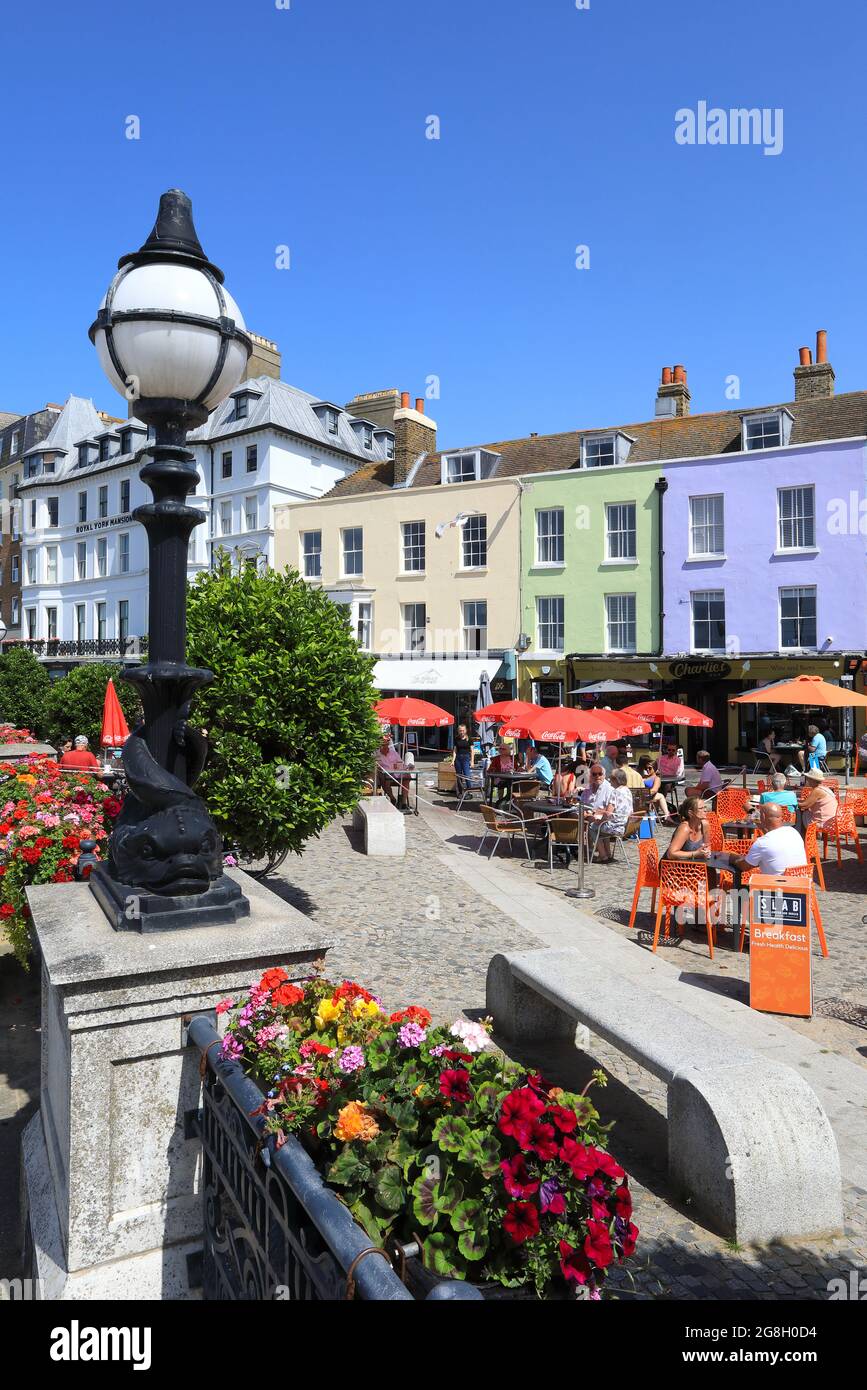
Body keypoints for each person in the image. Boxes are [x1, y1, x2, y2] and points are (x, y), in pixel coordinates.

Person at [726, 802, 806, 876]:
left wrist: (732, 857)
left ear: (763, 817)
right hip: (801, 885)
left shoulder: (762, 843)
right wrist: (750, 809)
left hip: (777, 888)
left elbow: (744, 866)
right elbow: (764, 825)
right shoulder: (793, 832)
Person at [593, 768, 634, 862]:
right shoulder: (627, 790)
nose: (608, 779)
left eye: (610, 777)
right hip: (625, 825)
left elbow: (608, 814)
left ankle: (603, 855)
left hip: (616, 827)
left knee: (593, 827)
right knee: (602, 825)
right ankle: (608, 853)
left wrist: (598, 820)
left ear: (616, 779)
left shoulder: (615, 792)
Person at [665, 797, 713, 864]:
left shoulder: (705, 825)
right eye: (701, 808)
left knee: (711, 871)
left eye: (705, 807)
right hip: (673, 867)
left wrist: (707, 851)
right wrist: (696, 854)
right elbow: (671, 854)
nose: (705, 810)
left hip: (692, 864)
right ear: (691, 813)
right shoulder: (685, 828)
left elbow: (707, 845)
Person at [375, 733, 411, 811]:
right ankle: (393, 798)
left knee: (407, 777)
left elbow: (401, 763)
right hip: (386, 776)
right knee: (386, 778)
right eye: (383, 745)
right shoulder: (377, 754)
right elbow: (376, 767)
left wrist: (408, 767)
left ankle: (403, 803)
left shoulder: (393, 753)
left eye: (386, 745)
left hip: (397, 775)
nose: (385, 747)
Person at [637, 756, 671, 820]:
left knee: (660, 795)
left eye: (650, 768)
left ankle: (667, 815)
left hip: (649, 796)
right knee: (660, 796)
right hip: (640, 796)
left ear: (655, 769)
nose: (647, 770)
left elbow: (654, 790)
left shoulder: (656, 778)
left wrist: (644, 793)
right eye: (646, 768)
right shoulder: (643, 776)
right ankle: (667, 815)